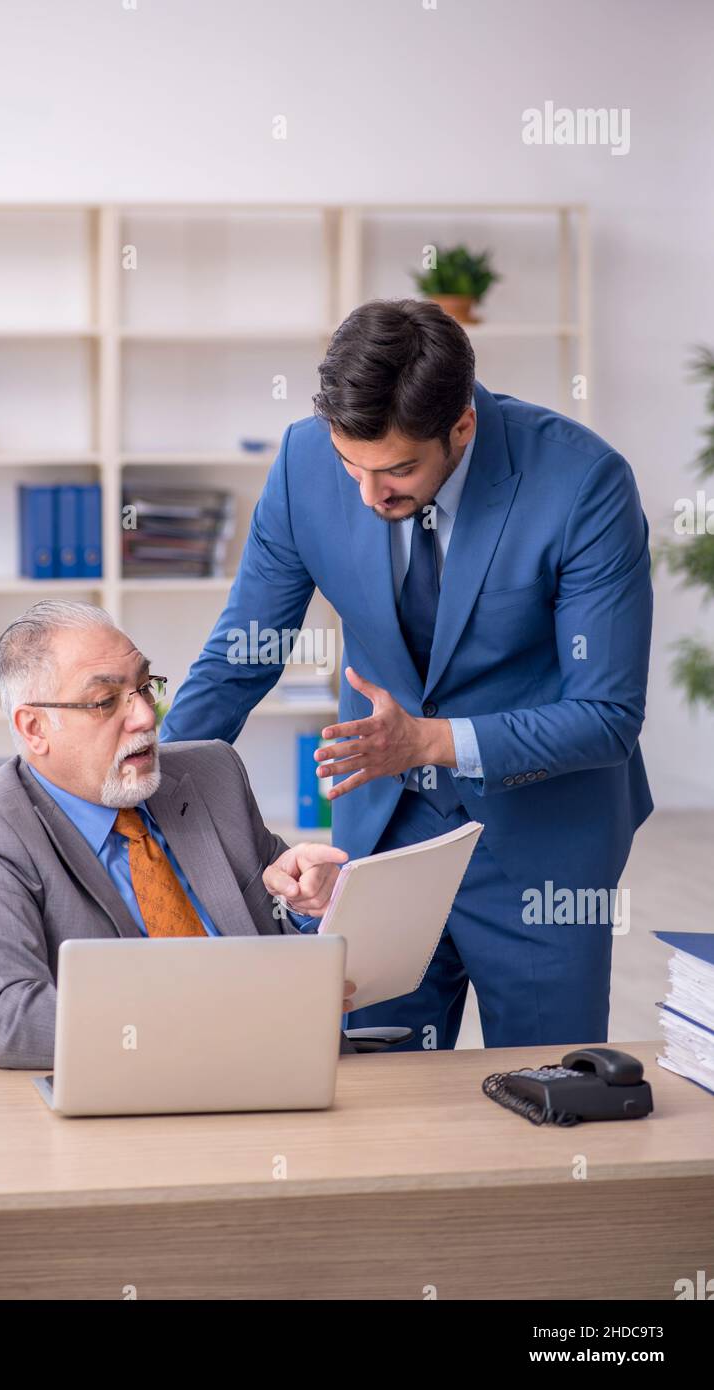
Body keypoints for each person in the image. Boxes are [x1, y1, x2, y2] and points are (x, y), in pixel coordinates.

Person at [161, 298, 654, 1051]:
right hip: (382, 836)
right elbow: (245, 651)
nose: (368, 496)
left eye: (396, 471)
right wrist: (148, 777)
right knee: (370, 1091)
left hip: (544, 844)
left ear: (461, 425)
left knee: (551, 1093)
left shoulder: (581, 483)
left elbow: (606, 714)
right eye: (349, 465)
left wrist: (426, 742)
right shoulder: (301, 464)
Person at [0, 600, 354, 1069]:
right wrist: (219, 1013)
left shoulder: (213, 773)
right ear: (34, 729)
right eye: (106, 702)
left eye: (144, 687)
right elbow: (8, 1021)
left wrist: (308, 905)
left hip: (299, 1071)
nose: (145, 718)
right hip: (144, 1096)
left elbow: (290, 938)